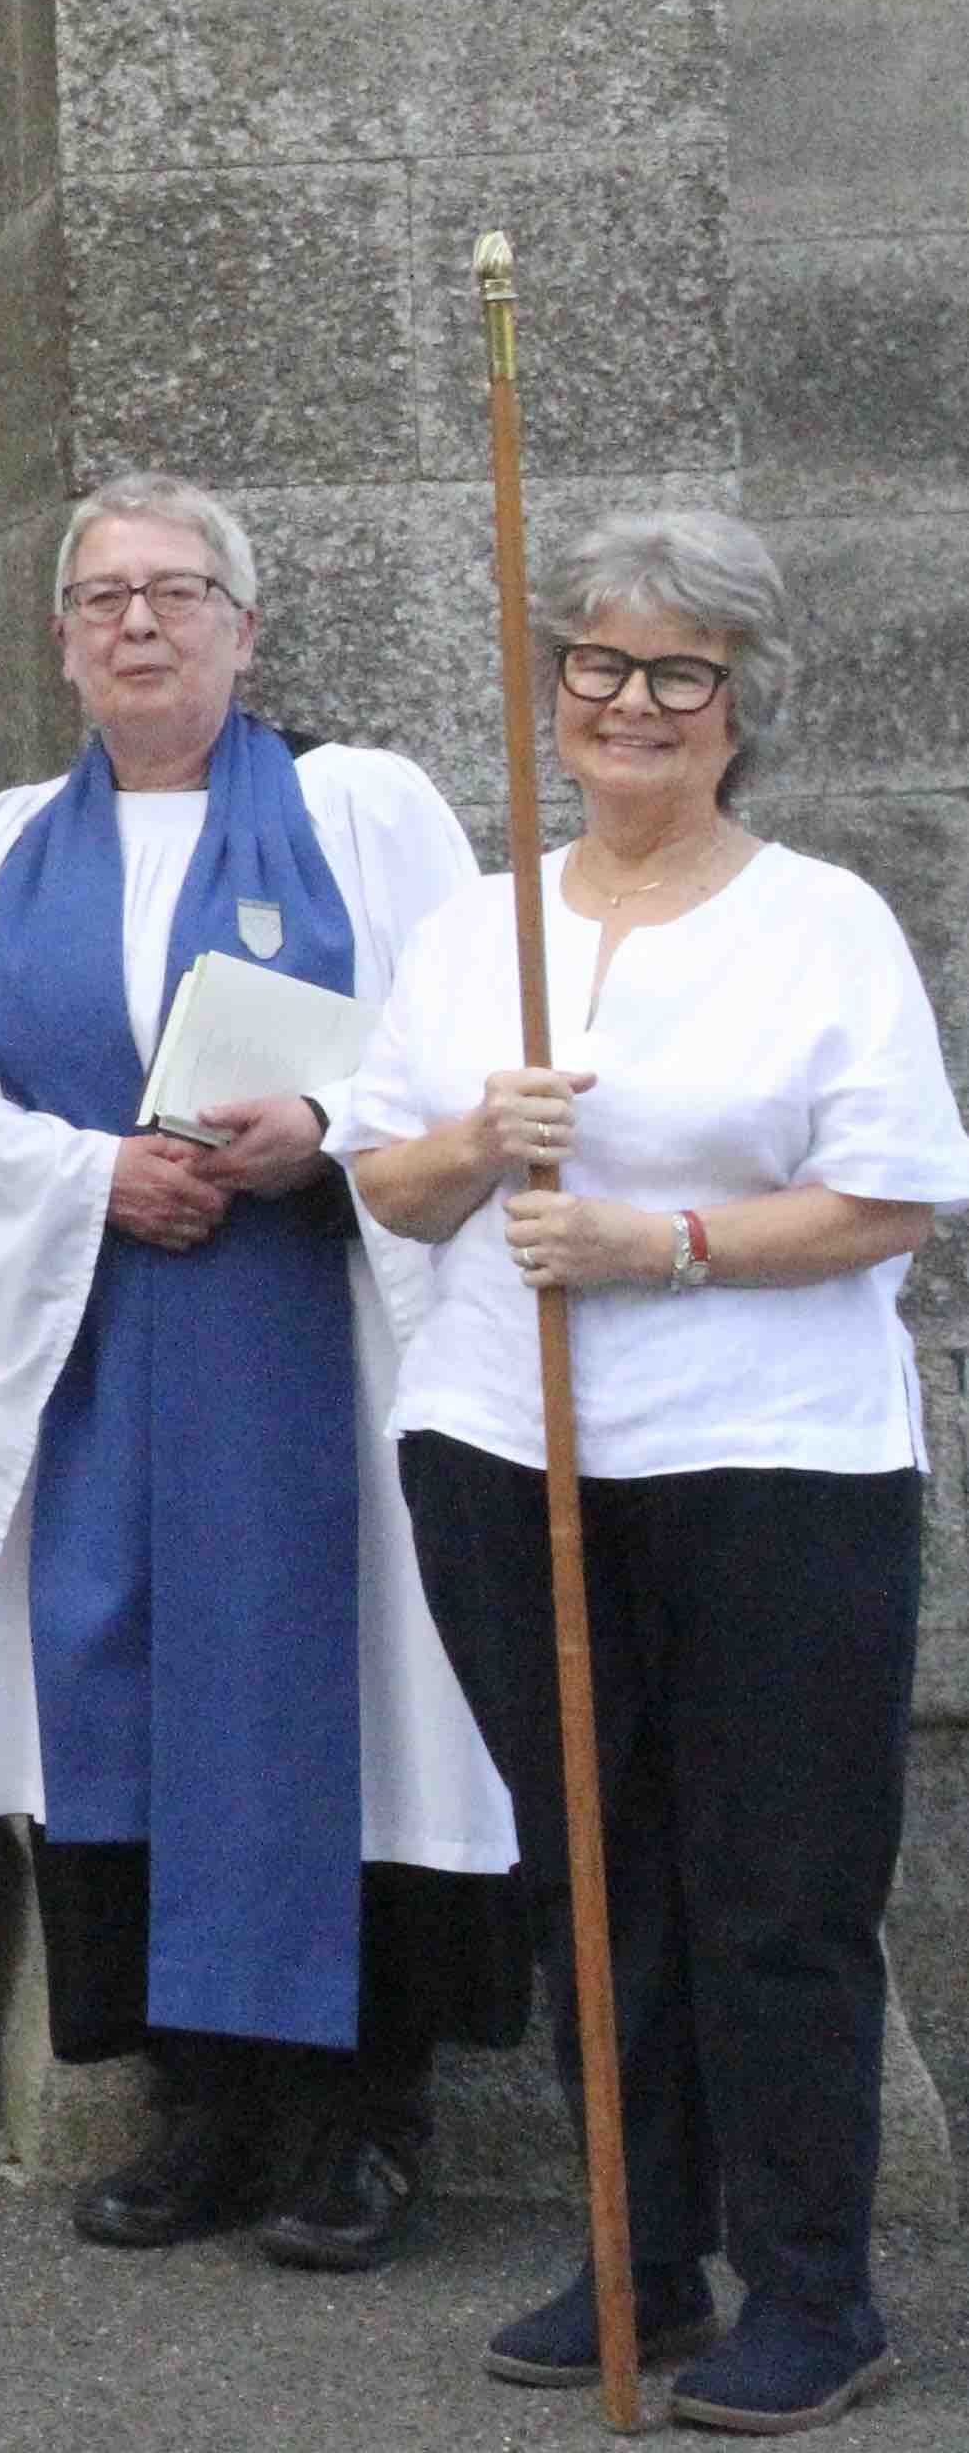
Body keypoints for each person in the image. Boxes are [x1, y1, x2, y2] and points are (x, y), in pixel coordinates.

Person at [339, 509, 969, 2433]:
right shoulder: (474, 923)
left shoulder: (818, 923)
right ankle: (638, 2254)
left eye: (674, 675)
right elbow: (380, 1178)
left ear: (733, 710)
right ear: (554, 695)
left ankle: (813, 2290)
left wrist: (661, 1246)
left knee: (771, 1888)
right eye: (596, 666)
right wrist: (475, 1134)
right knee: (589, 1872)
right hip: (501, 1453)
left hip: (770, 1471)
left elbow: (889, 1202)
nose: (628, 702)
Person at [0, 473, 518, 2271]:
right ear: (62, 641)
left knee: (345, 1704)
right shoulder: (7, 841)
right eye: (101, 598)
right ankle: (199, 2112)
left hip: (318, 1335)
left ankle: (359, 2124)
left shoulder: (356, 807)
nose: (139, 624)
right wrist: (99, 1172)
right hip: (99, 1342)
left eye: (176, 592)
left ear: (245, 629)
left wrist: (323, 1127)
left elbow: (456, 1024)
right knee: (123, 1688)